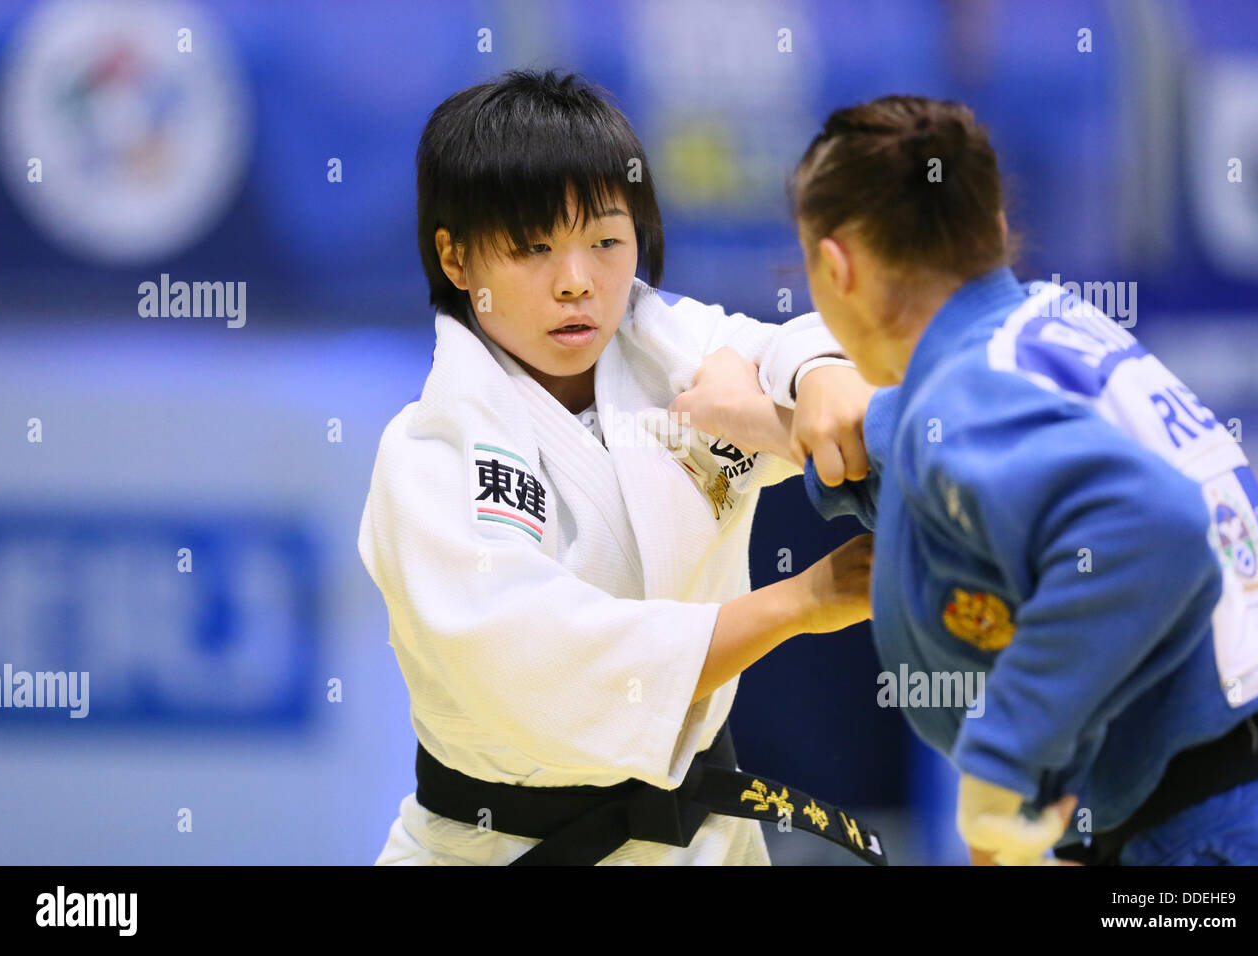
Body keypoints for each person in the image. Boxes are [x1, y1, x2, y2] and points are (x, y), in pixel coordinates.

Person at [701, 93, 1258, 865]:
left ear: (834, 267)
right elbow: (969, 486)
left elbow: (1155, 533)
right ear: (994, 228)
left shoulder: (967, 392)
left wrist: (1001, 764)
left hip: (1212, 831)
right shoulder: (1049, 327)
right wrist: (775, 422)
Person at [357, 69, 883, 866]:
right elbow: (541, 664)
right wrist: (803, 602)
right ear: (457, 259)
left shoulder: (664, 347)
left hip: (707, 846)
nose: (578, 281)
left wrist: (822, 378)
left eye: (606, 241)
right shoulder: (429, 455)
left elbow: (788, 349)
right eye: (534, 246)